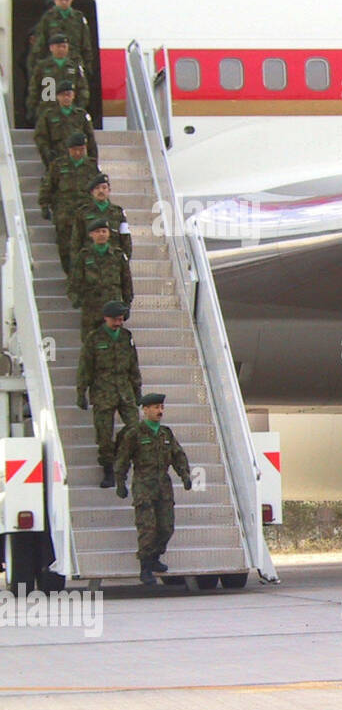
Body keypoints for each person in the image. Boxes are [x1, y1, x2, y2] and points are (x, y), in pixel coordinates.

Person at [116, 393, 192, 586]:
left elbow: (178, 455)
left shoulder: (166, 433)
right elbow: (123, 459)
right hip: (144, 486)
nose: (160, 411)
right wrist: (120, 481)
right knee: (147, 528)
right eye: (156, 407)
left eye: (161, 407)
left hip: (163, 487)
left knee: (167, 527)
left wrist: (185, 475)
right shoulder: (135, 433)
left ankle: (155, 556)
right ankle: (145, 568)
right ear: (145, 410)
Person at [77, 300, 141, 488]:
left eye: (121, 319)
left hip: (124, 390)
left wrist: (138, 391)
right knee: (104, 436)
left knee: (134, 427)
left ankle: (118, 454)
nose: (118, 323)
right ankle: (108, 470)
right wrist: (81, 392)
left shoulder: (126, 337)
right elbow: (85, 368)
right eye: (115, 319)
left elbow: (133, 367)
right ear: (106, 318)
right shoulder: (94, 339)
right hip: (103, 392)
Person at [39, 132, 101, 274]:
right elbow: (47, 186)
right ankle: (71, 277)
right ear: (69, 149)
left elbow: (99, 189)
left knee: (87, 248)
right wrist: (44, 205)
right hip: (64, 216)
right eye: (75, 149)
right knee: (65, 249)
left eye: (81, 149)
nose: (78, 152)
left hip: (87, 215)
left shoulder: (91, 166)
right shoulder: (59, 166)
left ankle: (85, 278)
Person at [68, 219, 132, 340]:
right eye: (97, 231)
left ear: (109, 234)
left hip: (113, 306)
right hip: (91, 308)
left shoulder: (118, 255)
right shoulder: (84, 256)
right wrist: (77, 300)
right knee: (90, 341)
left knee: (114, 342)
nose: (101, 234)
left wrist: (127, 304)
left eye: (104, 231)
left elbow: (126, 282)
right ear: (91, 234)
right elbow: (75, 281)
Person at [33, 0, 96, 78]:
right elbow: (40, 45)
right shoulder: (48, 18)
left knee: (74, 90)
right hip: (52, 64)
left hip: (74, 62)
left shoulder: (78, 17)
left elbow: (86, 45)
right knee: (49, 91)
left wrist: (88, 66)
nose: (64, 2)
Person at [27, 32, 89, 121]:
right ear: (51, 48)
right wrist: (32, 108)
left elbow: (82, 88)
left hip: (69, 111)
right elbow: (34, 89)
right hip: (47, 109)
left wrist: (80, 106)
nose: (61, 49)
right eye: (58, 46)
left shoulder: (74, 66)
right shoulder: (42, 66)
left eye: (64, 46)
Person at [33, 80, 95, 168]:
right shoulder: (49, 115)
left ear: (73, 96)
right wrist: (47, 154)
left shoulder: (81, 115)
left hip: (80, 161)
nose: (66, 97)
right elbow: (40, 137)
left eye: (69, 94)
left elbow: (90, 138)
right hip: (58, 160)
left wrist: (92, 160)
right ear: (57, 96)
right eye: (62, 95)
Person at [73, 174, 131, 258]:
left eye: (104, 188)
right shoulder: (83, 212)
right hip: (90, 262)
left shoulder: (118, 212)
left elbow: (125, 238)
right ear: (92, 192)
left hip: (113, 262)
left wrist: (124, 261)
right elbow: (76, 240)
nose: (101, 191)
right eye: (97, 188)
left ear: (109, 190)